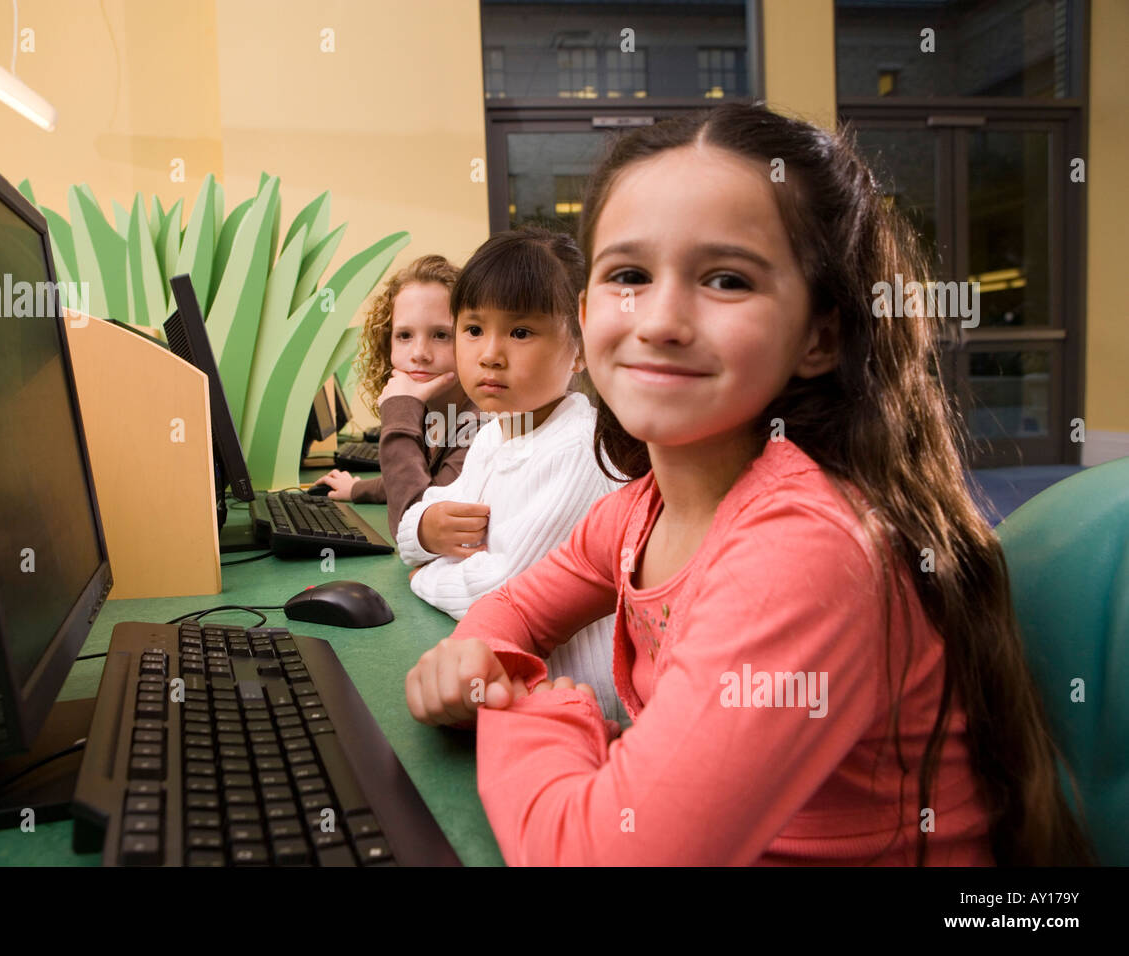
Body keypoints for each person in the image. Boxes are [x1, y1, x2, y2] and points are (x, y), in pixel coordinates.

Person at [403, 104, 1094, 866]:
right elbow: (514, 607)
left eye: (727, 279)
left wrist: (529, 707)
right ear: (586, 310)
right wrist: (476, 653)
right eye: (628, 275)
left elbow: (602, 856)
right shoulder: (642, 509)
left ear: (819, 336)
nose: (660, 319)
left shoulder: (805, 549)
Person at [398, 227, 625, 723]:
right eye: (473, 329)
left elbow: (499, 594)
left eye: (520, 332)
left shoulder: (577, 452)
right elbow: (414, 525)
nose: (489, 353)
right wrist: (426, 528)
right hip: (497, 679)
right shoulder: (495, 435)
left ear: (581, 348)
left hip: (566, 698)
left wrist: (424, 576)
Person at [316, 255, 477, 537]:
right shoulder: (437, 409)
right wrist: (357, 488)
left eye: (441, 335)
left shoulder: (481, 423)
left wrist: (400, 411)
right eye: (404, 335)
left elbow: (417, 525)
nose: (419, 354)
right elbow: (425, 479)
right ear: (386, 341)